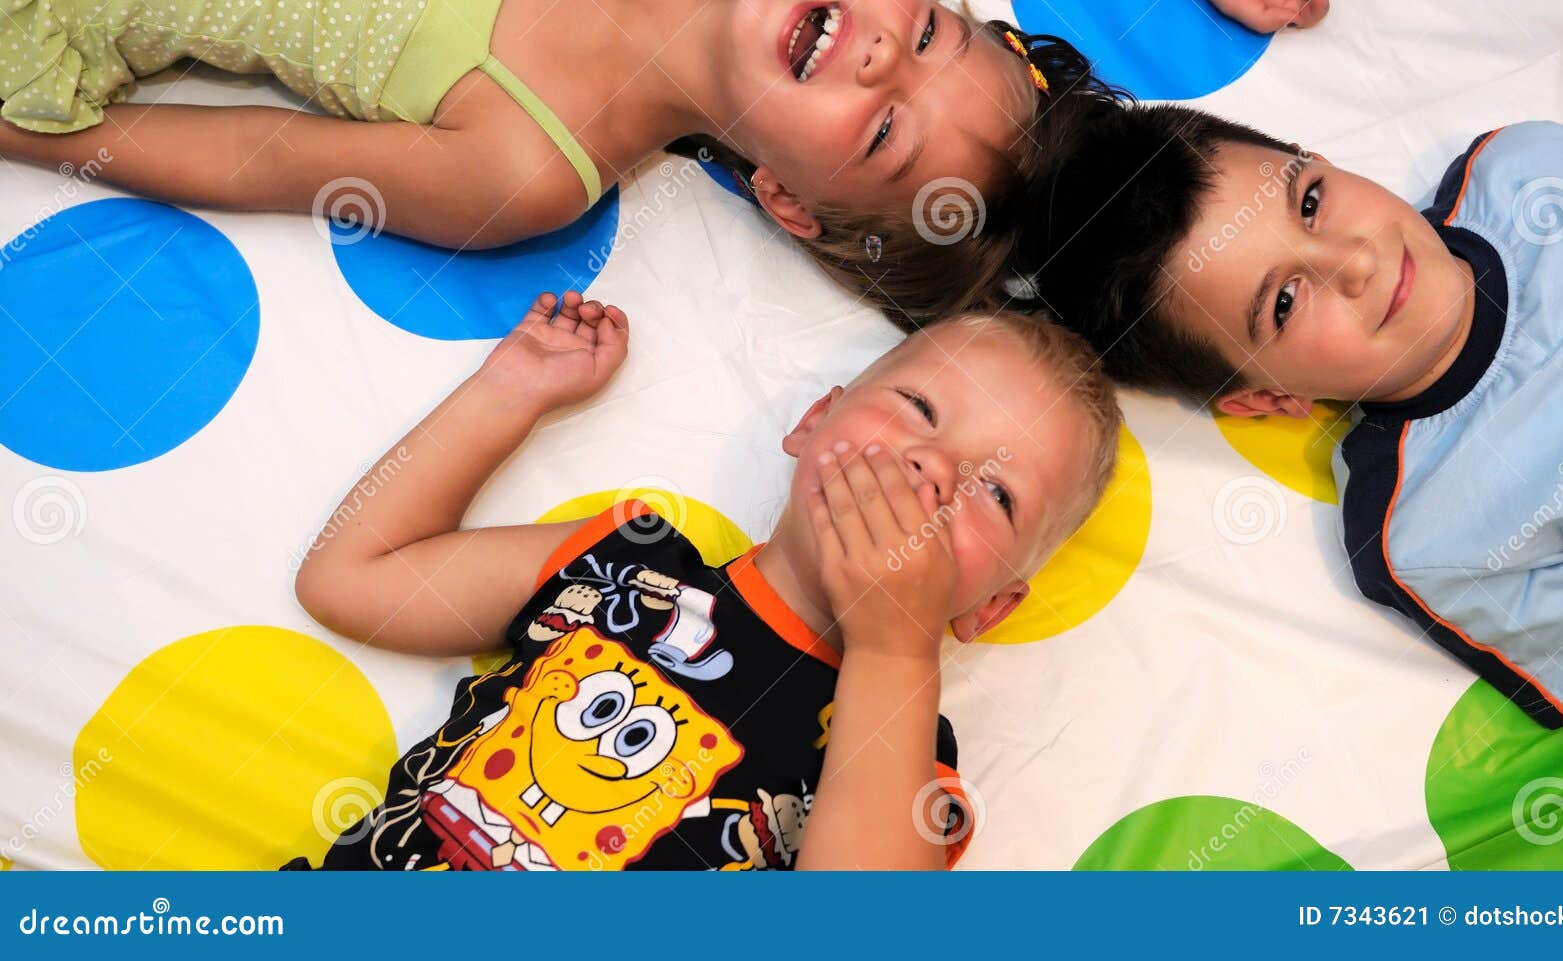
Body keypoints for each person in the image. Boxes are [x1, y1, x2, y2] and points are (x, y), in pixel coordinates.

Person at [1, 0, 1332, 323]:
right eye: (925, 33)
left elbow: (253, 157)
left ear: (788, 200)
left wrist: (44, 142)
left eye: (881, 134)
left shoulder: (534, 163)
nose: (874, 57)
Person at [286, 290, 1121, 868]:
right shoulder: (628, 562)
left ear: (991, 609)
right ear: (812, 420)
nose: (932, 468)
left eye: (998, 494)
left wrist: (896, 649)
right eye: (921, 408)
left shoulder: (907, 756)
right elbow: (351, 577)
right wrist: (508, 391)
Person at [1031, 105, 1563, 727]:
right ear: (1268, 397)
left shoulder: (1525, 168)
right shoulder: (1423, 537)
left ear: (1321, 162)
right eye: (1283, 302)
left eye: (1309, 203)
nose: (1355, 263)